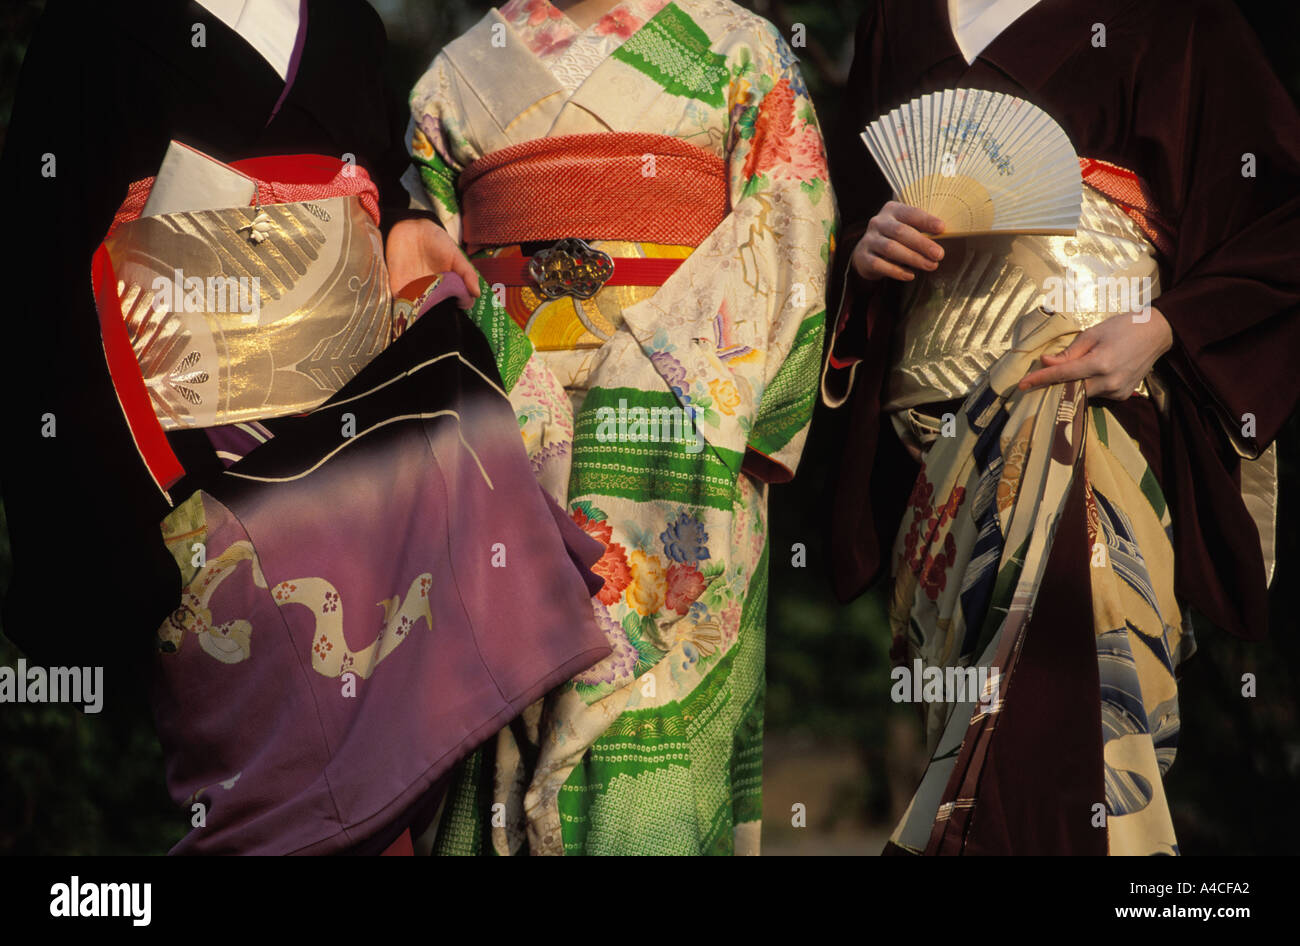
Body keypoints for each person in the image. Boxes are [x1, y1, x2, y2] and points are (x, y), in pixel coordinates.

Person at [1, 0, 610, 854]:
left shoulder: (347, 24)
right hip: (192, 482)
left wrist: (402, 224)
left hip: (369, 470)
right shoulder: (94, 30)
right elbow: (41, 289)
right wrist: (113, 515)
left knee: (400, 786)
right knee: (268, 806)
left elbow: (382, 178)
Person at [822, 0, 1300, 855]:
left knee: (1070, 684)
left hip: (1098, 397)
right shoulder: (898, 15)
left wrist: (1168, 328)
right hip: (934, 440)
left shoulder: (1179, 16)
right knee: (968, 711)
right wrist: (863, 250)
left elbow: (1282, 215)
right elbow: (841, 213)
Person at [399, 0, 836, 854]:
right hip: (504, 446)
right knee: (485, 747)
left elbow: (792, 232)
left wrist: (654, 396)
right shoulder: (450, 79)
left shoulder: (743, 50)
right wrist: (530, 413)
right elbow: (432, 287)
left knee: (664, 778)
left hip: (690, 450)